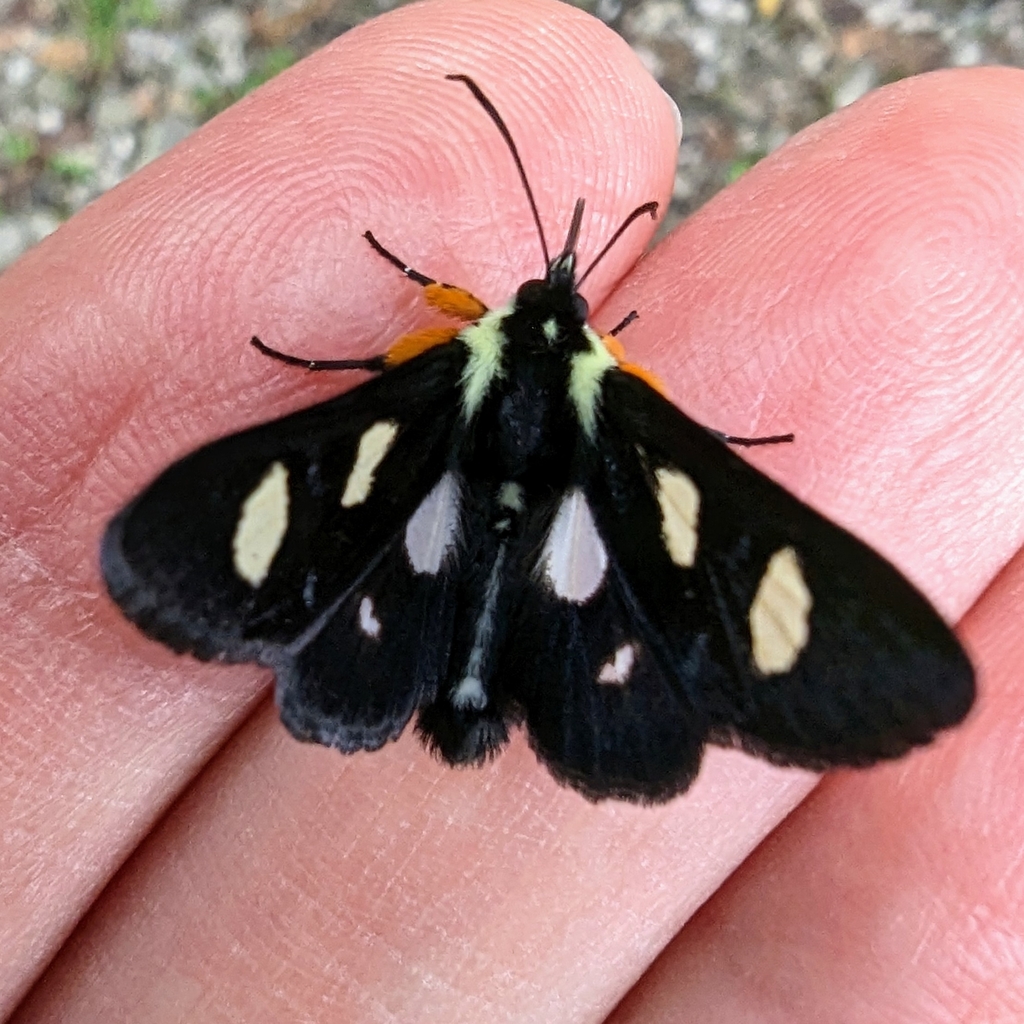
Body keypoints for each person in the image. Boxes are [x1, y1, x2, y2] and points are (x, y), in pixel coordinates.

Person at [2, 0, 1020, 1019]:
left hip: (401, 581)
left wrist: (346, 362)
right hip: (583, 619)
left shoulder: (467, 359)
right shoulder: (615, 389)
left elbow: (388, 369)